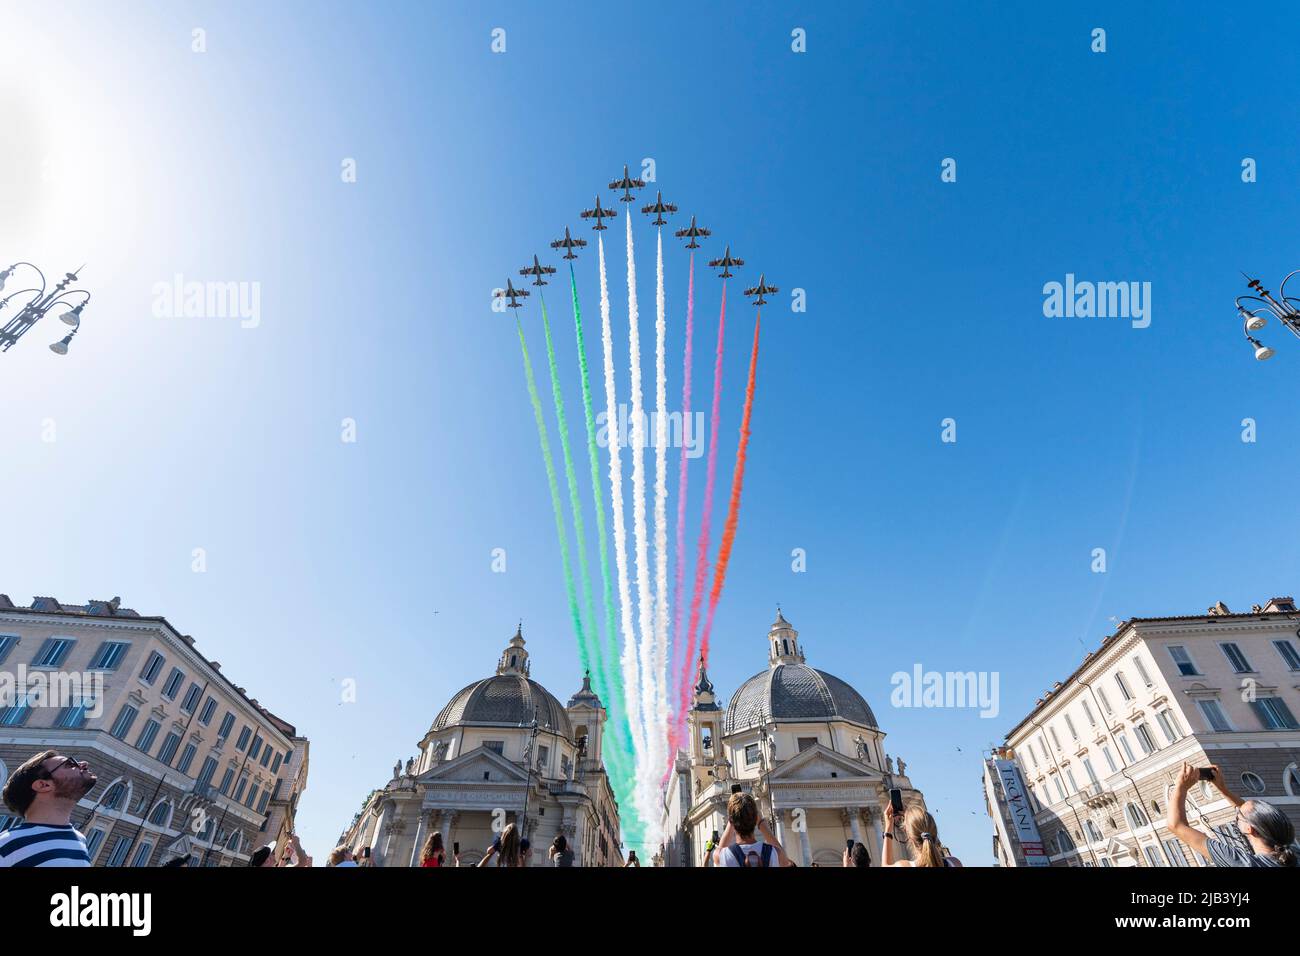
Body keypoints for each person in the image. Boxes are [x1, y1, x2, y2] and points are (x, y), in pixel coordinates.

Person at [1168, 763, 1297, 867]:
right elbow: (1247, 811)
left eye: (1239, 814)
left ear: (1249, 829)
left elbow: (1176, 825)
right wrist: (1223, 789)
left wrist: (1181, 786)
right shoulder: (1293, 853)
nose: (1238, 808)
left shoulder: (1243, 863)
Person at [0, 750, 97, 867]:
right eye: (70, 764)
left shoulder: (80, 840)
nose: (84, 763)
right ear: (43, 785)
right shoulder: (8, 844)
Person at [713, 792, 788, 867]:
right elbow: (785, 860)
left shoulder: (723, 855)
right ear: (756, 818)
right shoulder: (775, 853)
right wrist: (761, 823)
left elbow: (720, 848)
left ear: (732, 820)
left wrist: (732, 820)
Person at [881, 802, 960, 867]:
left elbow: (885, 865)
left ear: (909, 835)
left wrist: (888, 829)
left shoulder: (903, 865)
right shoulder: (954, 863)